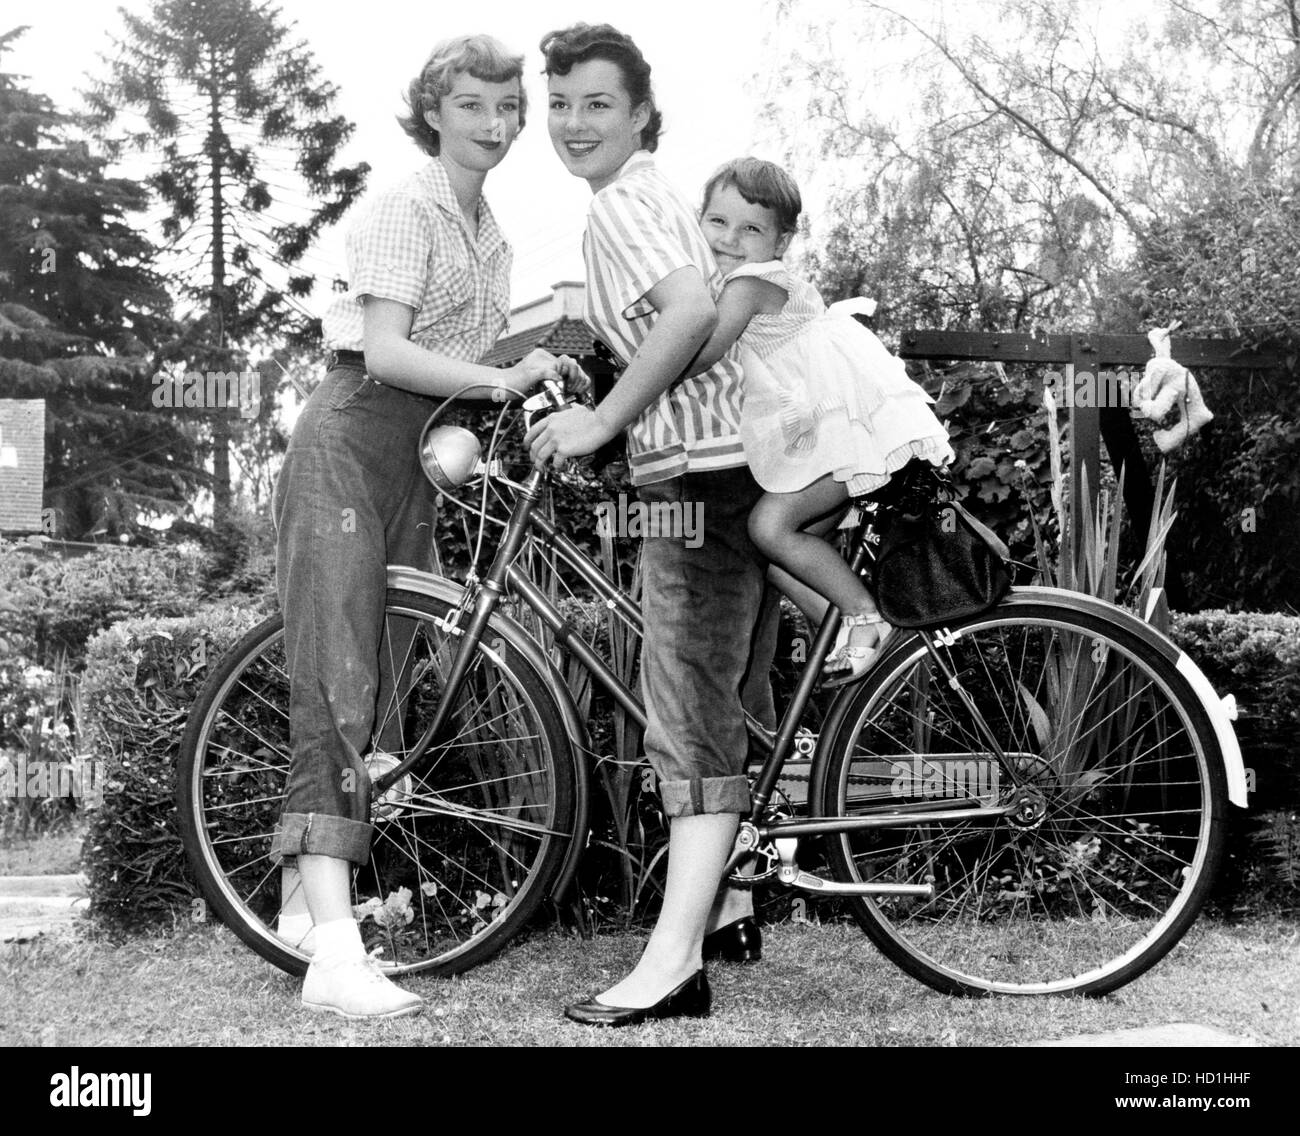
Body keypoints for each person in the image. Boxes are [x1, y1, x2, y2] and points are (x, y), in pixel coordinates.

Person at [271, 33, 564, 1021]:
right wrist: (500, 377)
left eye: (507, 107)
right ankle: (336, 959)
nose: (495, 124)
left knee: (392, 690)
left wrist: (485, 422)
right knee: (338, 681)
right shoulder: (405, 205)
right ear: (433, 109)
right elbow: (390, 353)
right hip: (349, 441)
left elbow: (449, 388)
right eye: (473, 105)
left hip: (415, 464)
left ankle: (298, 913)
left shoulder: (493, 236)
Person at [528, 22, 767, 1026]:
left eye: (596, 104)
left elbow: (677, 319)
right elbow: (682, 326)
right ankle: (728, 907)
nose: (573, 122)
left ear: (638, 115)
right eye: (562, 102)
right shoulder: (654, 195)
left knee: (686, 716)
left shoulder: (624, 203)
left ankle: (671, 961)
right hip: (734, 464)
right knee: (726, 694)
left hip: (700, 478)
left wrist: (598, 420)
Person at [689, 157, 955, 682]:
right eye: (717, 222)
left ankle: (865, 618)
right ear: (698, 219)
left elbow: (702, 353)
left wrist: (637, 360)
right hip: (830, 435)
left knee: (770, 527)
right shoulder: (734, 282)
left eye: (751, 229)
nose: (730, 239)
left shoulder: (749, 282)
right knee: (770, 547)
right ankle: (842, 638)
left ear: (780, 242)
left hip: (842, 435)